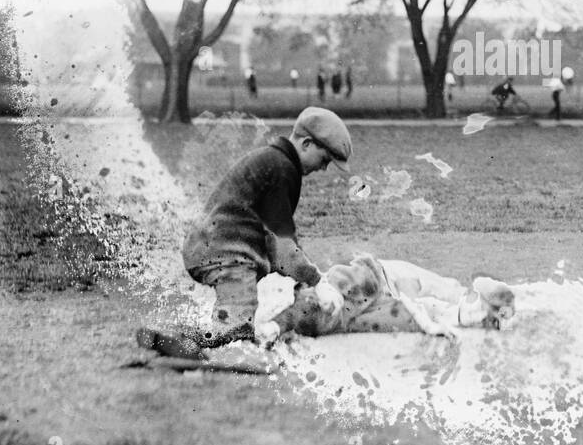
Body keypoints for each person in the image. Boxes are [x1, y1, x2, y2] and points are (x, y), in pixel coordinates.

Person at [135, 107, 353, 358]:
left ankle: (173, 338)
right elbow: (282, 244)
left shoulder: (274, 161)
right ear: (306, 143)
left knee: (236, 322)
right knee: (236, 324)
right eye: (324, 160)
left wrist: (303, 279)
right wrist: (317, 281)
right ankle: (182, 341)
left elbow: (279, 238)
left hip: (214, 247)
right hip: (226, 252)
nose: (323, 168)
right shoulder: (282, 169)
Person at [262, 254, 517, 340]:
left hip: (380, 302)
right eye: (488, 315)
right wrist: (429, 325)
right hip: (373, 278)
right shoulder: (451, 290)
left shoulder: (458, 309)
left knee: (324, 320)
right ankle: (279, 321)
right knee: (330, 301)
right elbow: (408, 287)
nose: (484, 321)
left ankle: (281, 322)